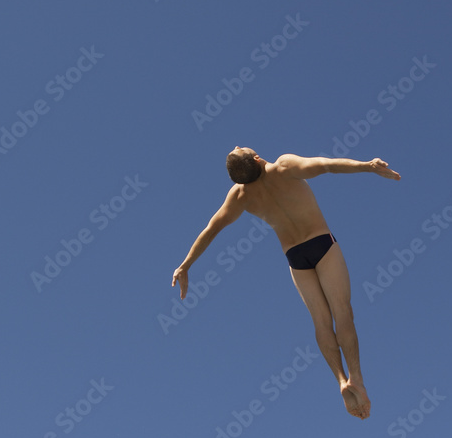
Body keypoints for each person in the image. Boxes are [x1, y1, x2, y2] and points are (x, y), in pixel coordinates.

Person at [172, 147, 401, 419]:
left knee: (320, 321)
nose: (236, 146)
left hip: (295, 257)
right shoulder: (282, 166)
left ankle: (340, 381)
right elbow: (326, 165)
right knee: (342, 311)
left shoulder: (241, 195)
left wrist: (185, 264)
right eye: (241, 149)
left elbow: (211, 229)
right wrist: (366, 165)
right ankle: (356, 379)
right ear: (256, 158)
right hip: (321, 244)